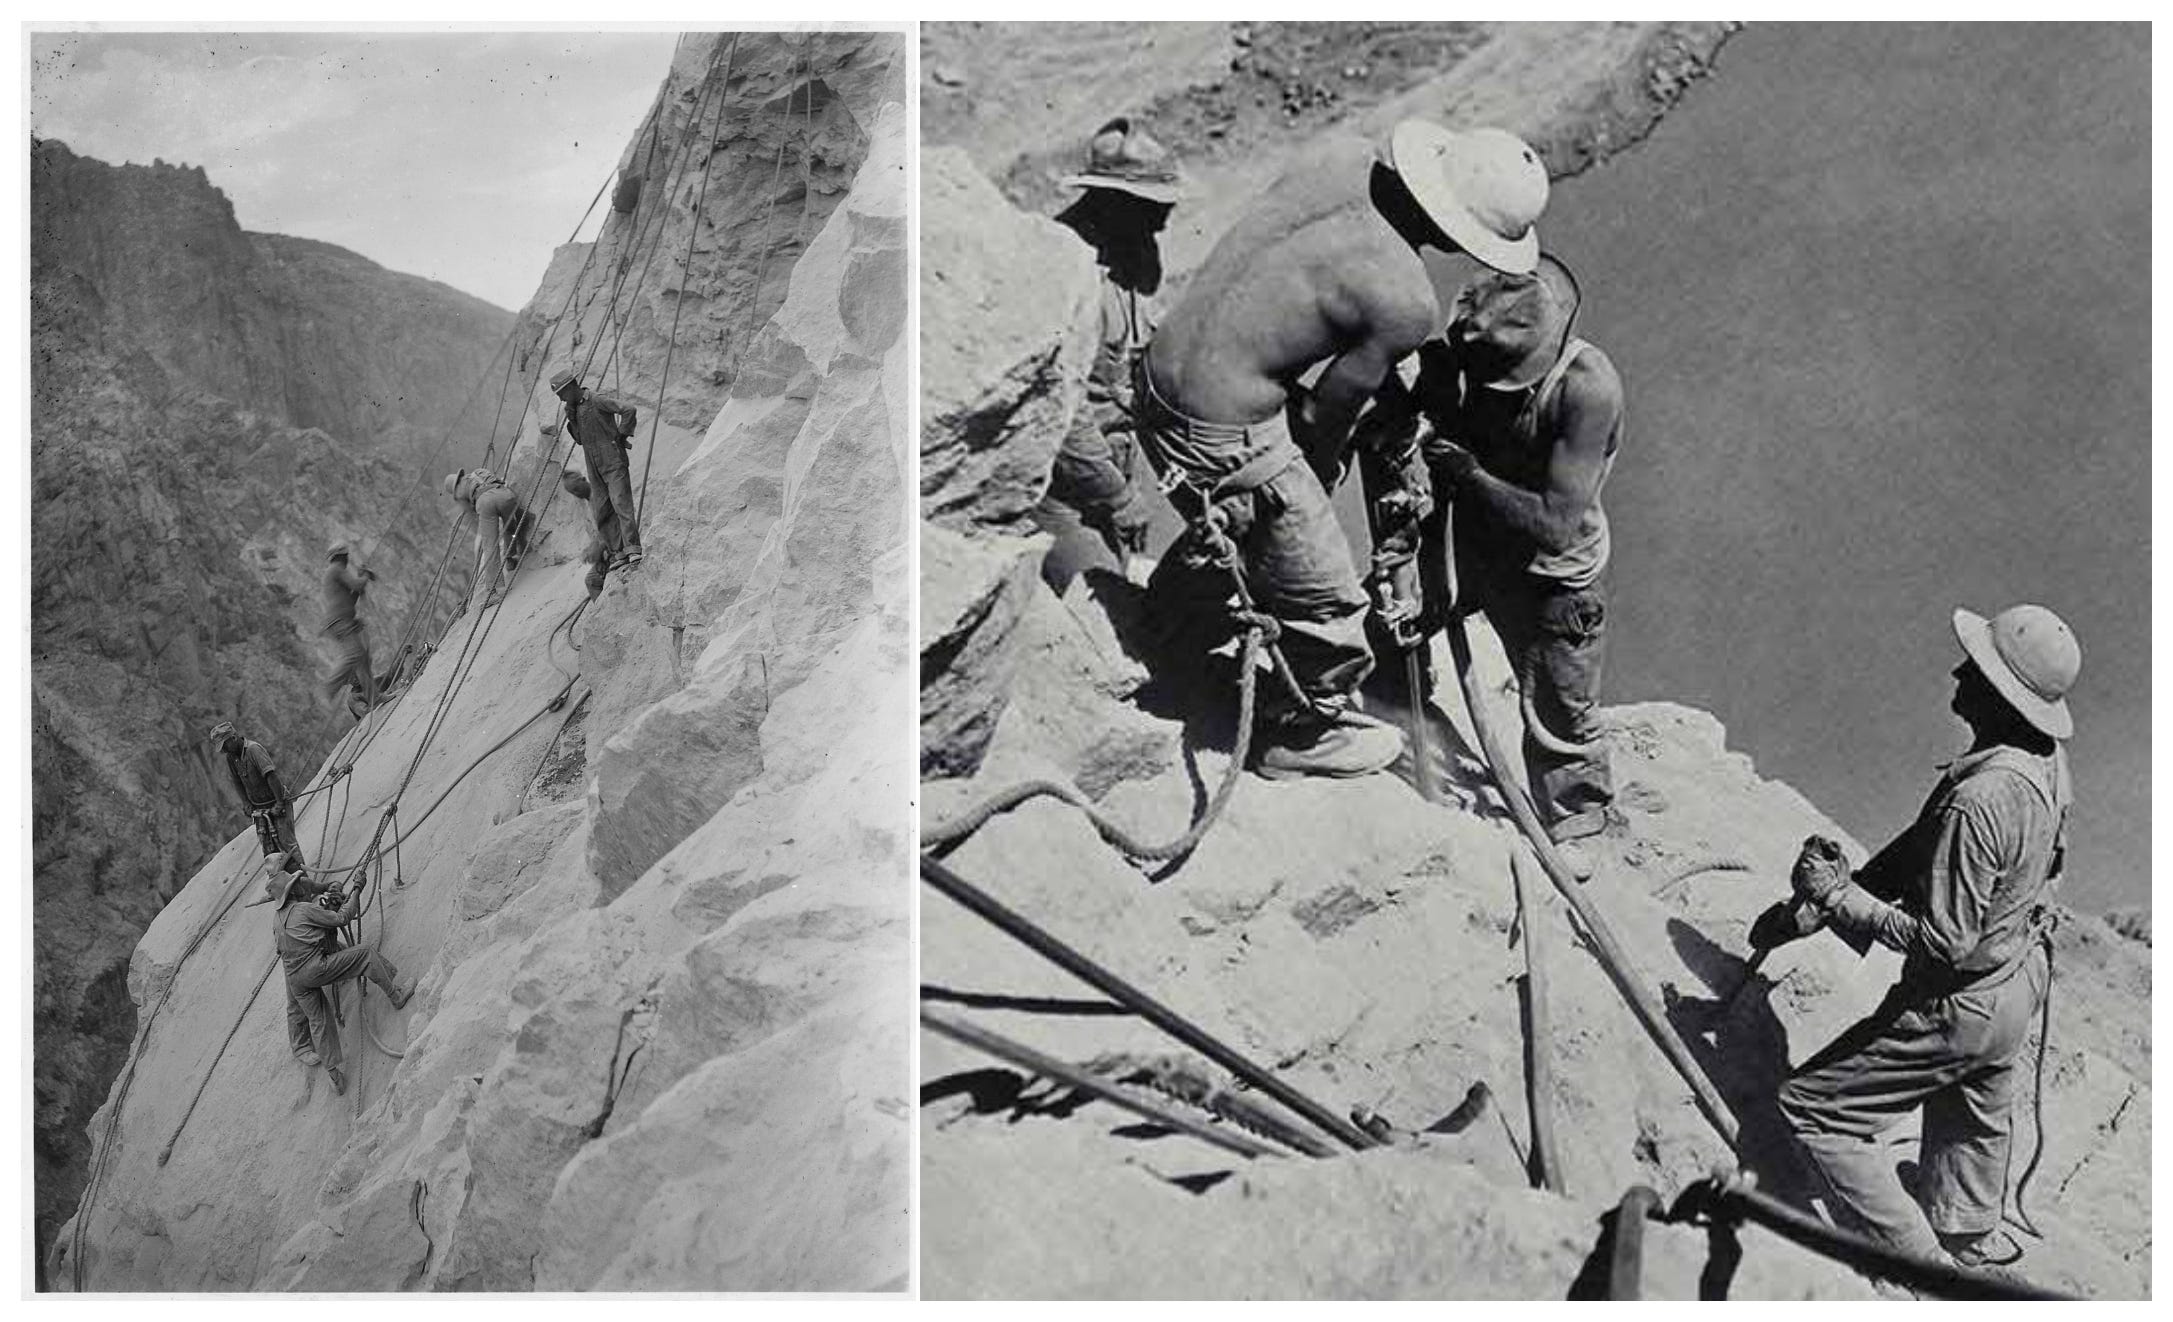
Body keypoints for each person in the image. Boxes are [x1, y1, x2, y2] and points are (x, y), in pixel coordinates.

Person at [1138, 119, 1550, 778]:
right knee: (1323, 596)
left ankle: (1165, 622)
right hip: (1217, 429)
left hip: (1159, 371)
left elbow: (1297, 288)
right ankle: (1298, 732)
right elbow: (1324, 417)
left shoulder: (1337, 158)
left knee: (1241, 524)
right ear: (1456, 232)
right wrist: (1310, 492)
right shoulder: (1405, 302)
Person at [1758, 604, 2079, 1270]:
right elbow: (1924, 848)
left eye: (1977, 668)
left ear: (1999, 697)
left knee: (1814, 1110)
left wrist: (1842, 900)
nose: (1958, 671)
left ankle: (1920, 1272)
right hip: (2013, 984)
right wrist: (1817, 914)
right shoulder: (2042, 764)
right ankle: (1966, 1233)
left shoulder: (1980, 800)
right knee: (1971, 1116)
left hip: (1957, 1003)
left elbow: (1943, 943)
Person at [1396, 253, 1623, 845]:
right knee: (1420, 620)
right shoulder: (1481, 341)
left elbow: (1554, 524)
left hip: (1554, 578)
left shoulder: (1586, 390)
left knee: (1559, 707)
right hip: (1485, 552)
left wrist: (1467, 473)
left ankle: (1579, 816)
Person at [1032, 117, 1179, 593]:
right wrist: (1116, 496)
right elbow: (1060, 410)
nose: (1168, 213)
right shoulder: (1060, 266)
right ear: (1113, 200)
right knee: (1104, 615)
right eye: (1154, 203)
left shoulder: (1139, 252)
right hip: (1058, 489)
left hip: (1118, 472)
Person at [265, 853, 414, 1095]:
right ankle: (396, 995)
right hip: (315, 969)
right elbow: (344, 917)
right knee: (365, 953)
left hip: (295, 979)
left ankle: (335, 1075)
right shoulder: (303, 909)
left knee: (319, 1020)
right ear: (292, 891)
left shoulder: (277, 919)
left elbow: (288, 946)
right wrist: (356, 888)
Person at [550, 369, 643, 570]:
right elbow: (580, 440)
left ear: (571, 387)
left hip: (612, 460)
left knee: (621, 503)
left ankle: (633, 548)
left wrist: (622, 435)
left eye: (561, 395)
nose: (561, 400)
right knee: (603, 509)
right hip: (594, 466)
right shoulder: (574, 409)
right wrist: (572, 418)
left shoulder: (596, 400)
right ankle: (619, 552)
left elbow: (628, 409)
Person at [210, 721, 304, 871]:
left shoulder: (254, 750)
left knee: (287, 843)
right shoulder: (231, 758)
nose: (225, 750)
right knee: (269, 849)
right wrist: (246, 802)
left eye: (225, 745)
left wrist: (279, 803)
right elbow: (237, 781)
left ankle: (303, 881)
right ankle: (283, 884)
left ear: (233, 738)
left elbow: (271, 776)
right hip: (259, 807)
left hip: (276, 801)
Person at [442, 467, 536, 608]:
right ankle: (510, 556)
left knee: (490, 545)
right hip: (506, 496)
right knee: (511, 527)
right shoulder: (478, 472)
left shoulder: (459, 494)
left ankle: (493, 591)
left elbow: (472, 514)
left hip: (485, 504)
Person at [319, 542, 378, 720]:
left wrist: (362, 578)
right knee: (354, 655)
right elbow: (357, 585)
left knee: (362, 659)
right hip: (340, 622)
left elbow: (351, 597)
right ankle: (329, 688)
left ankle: (376, 697)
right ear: (340, 557)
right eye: (346, 556)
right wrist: (365, 576)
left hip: (344, 621)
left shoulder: (335, 574)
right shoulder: (336, 570)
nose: (347, 559)